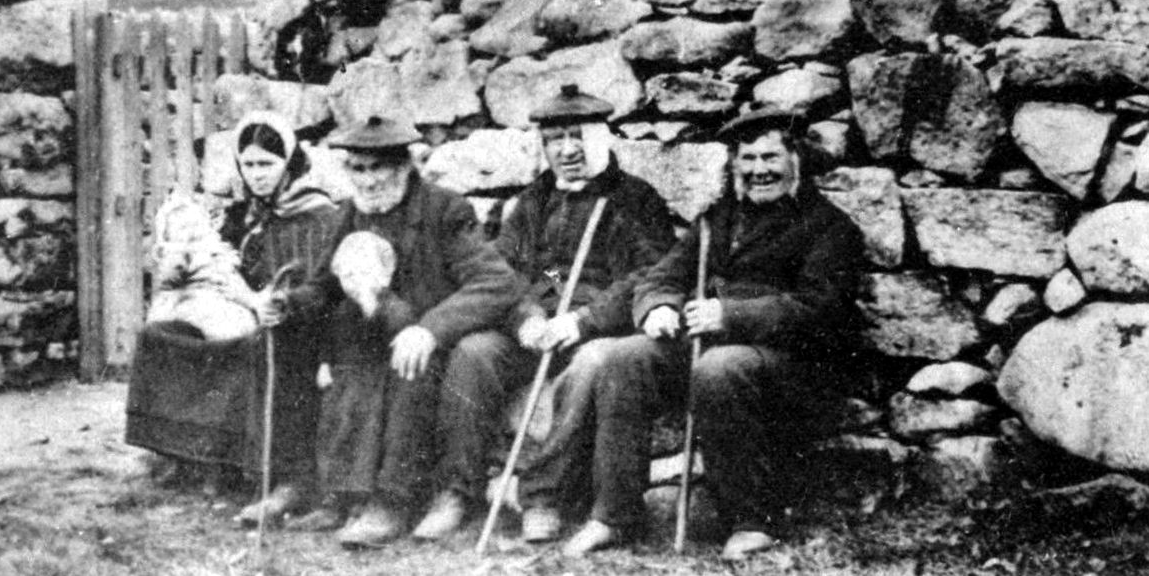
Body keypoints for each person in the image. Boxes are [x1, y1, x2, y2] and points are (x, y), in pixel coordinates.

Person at [518, 107, 867, 559]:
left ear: (795, 161)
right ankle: (614, 514)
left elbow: (821, 310)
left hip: (790, 363)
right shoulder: (718, 219)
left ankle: (750, 520)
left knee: (720, 367)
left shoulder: (830, 229)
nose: (758, 170)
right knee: (618, 356)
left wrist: (732, 315)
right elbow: (661, 275)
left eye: (770, 158)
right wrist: (659, 306)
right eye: (747, 159)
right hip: (707, 345)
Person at [412, 84, 676, 541]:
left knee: (592, 368)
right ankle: (456, 491)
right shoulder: (531, 203)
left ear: (601, 139)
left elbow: (650, 275)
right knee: (474, 352)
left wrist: (582, 321)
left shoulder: (635, 200)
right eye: (555, 140)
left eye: (578, 137)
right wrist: (527, 319)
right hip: (536, 326)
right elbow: (503, 270)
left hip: (595, 330)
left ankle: (543, 497)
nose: (567, 149)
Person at [281, 114, 523, 549]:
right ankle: (338, 495)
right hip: (374, 335)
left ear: (405, 167)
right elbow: (323, 286)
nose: (368, 181)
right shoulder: (351, 213)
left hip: (431, 344)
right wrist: (285, 304)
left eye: (378, 169)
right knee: (328, 352)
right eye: (357, 169)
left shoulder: (445, 210)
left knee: (407, 363)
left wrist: (430, 330)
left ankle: (392, 503)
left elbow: (496, 283)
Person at [125, 111, 340, 526]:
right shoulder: (245, 216)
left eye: (267, 164)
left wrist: (268, 302)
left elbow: (321, 285)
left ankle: (277, 476)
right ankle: (179, 453)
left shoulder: (320, 215)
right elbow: (220, 266)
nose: (257, 175)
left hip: (294, 318)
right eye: (250, 165)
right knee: (163, 335)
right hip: (240, 312)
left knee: (260, 346)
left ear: (289, 163)